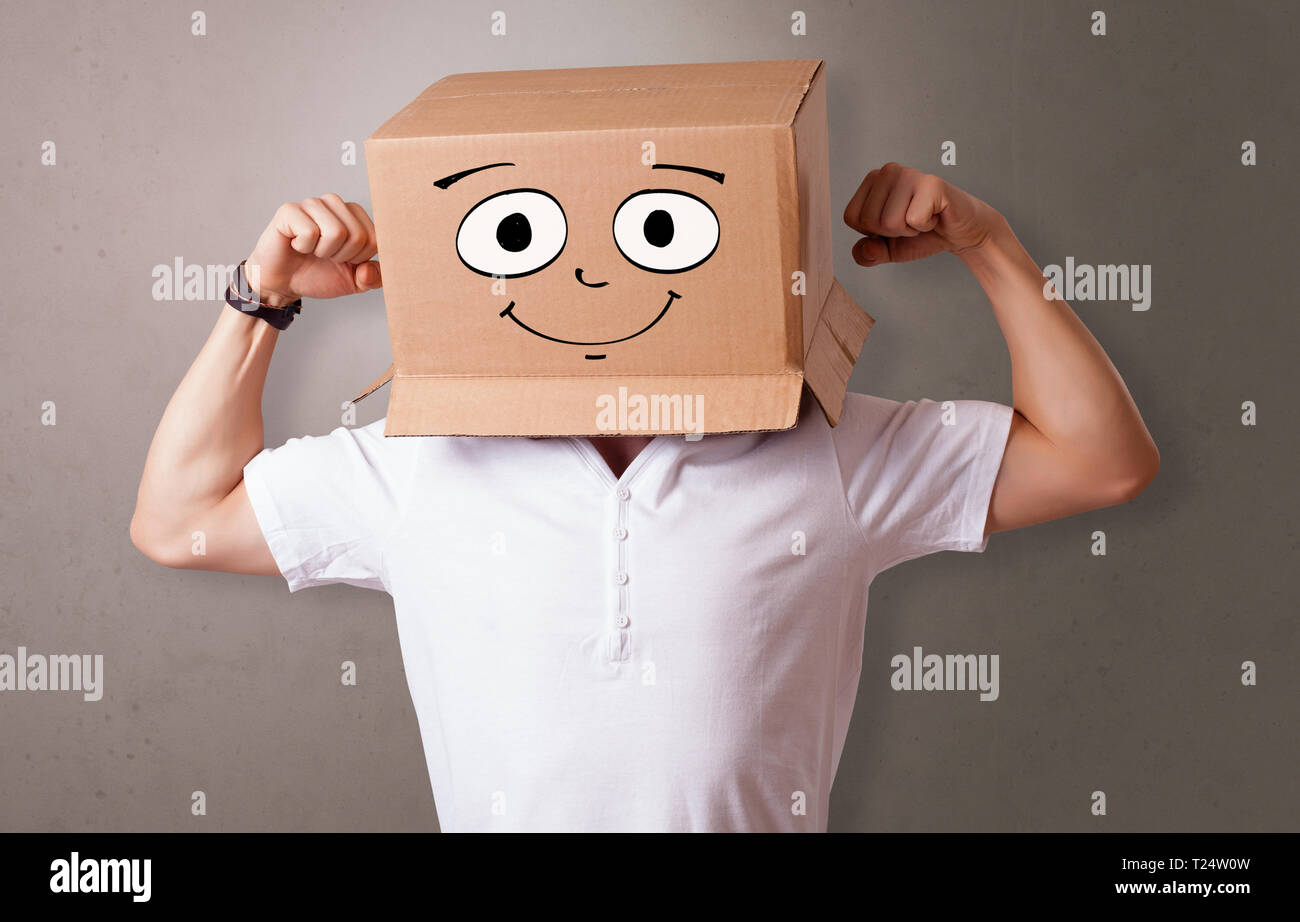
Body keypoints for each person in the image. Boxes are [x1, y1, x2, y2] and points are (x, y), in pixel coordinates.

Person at [130, 163, 1158, 831]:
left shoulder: (831, 444)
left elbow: (1098, 460)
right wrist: (258, 302)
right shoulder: (421, 464)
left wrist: (989, 243)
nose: (591, 279)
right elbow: (178, 520)